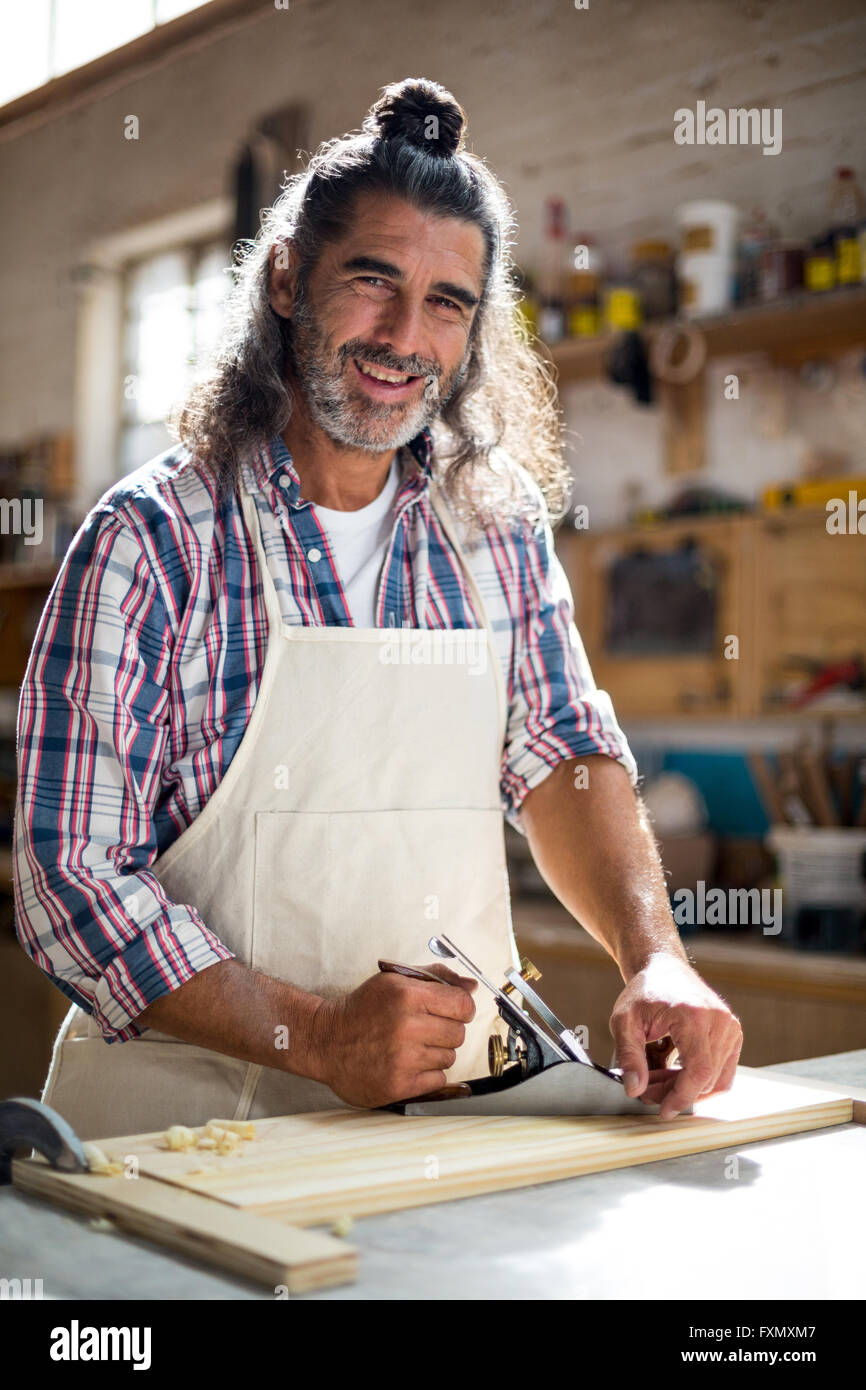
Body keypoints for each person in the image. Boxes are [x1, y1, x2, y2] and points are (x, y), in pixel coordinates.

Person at [15, 78, 741, 1139]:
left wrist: (656, 958)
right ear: (284, 278)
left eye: (447, 302)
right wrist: (314, 1037)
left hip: (437, 1133)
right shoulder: (152, 540)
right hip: (182, 1146)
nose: (406, 336)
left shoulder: (494, 527)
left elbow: (563, 752)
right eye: (372, 280)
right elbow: (67, 881)